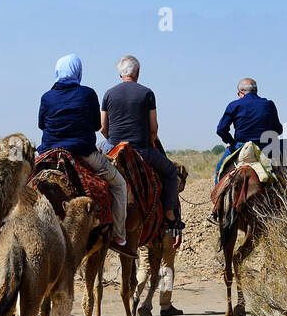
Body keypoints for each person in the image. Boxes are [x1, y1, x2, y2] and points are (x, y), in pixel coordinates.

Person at [38, 54, 130, 250]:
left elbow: (41, 125)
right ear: (78, 72)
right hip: (83, 153)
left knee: (23, 184)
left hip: (49, 154)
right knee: (120, 184)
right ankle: (119, 237)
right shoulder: (88, 94)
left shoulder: (46, 97)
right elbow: (97, 126)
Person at [100, 55, 182, 239]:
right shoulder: (147, 93)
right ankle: (169, 214)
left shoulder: (108, 93)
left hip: (112, 147)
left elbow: (103, 128)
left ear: (120, 73)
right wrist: (150, 140)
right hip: (142, 148)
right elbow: (154, 128)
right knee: (170, 171)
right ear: (137, 73)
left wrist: (113, 142)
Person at [214, 78, 284, 183]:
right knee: (283, 173)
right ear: (256, 91)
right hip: (266, 147)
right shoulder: (269, 104)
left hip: (241, 146)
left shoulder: (234, 105)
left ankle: (218, 199)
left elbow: (221, 129)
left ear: (241, 92)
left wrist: (231, 142)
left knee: (219, 170)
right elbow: (278, 129)